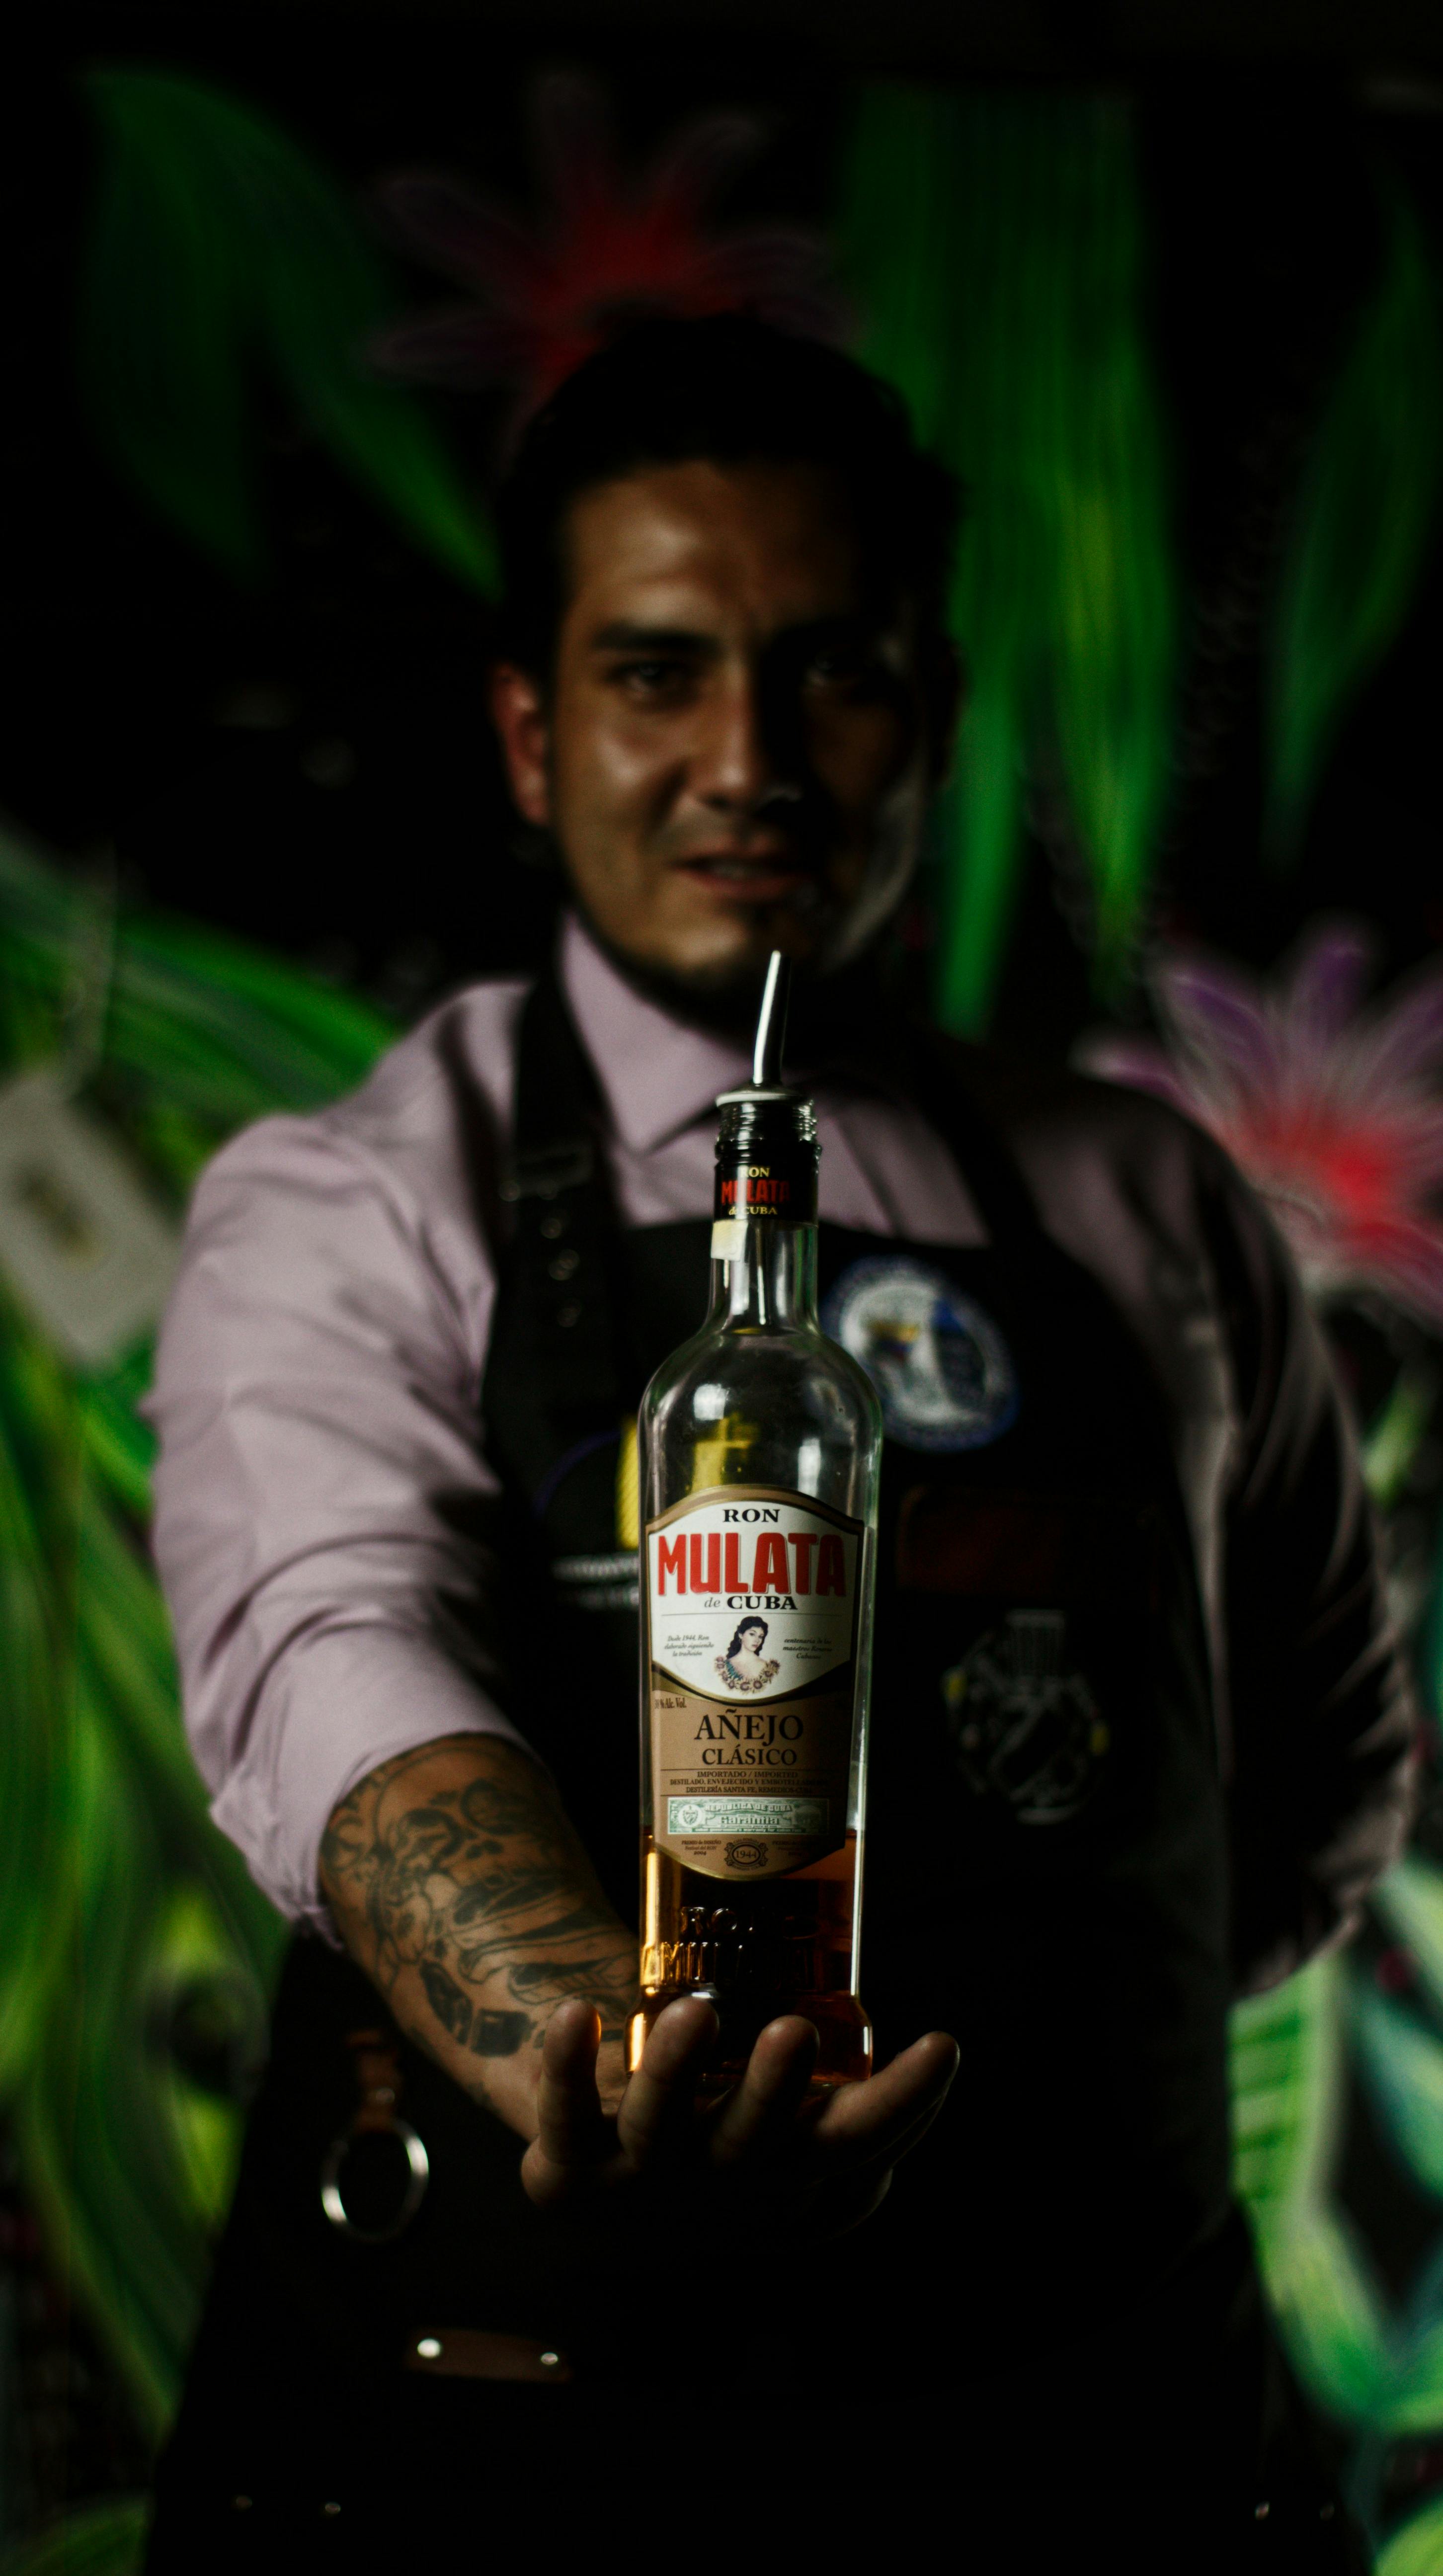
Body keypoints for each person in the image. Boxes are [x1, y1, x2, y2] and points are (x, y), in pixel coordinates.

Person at [143, 316, 1412, 2564]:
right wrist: (598, 2050)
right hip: (533, 2459)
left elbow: (1312, 1776)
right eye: (656, 675)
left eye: (827, 670)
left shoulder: (1148, 1201)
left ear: (922, 708)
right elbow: (335, 1655)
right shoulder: (353, 1194)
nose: (749, 758)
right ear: (534, 739)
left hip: (1100, 2439)